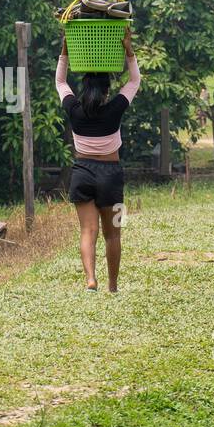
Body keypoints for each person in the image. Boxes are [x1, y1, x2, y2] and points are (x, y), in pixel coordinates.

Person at [57, 26, 139, 292]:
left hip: (82, 172)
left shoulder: (74, 109)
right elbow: (134, 81)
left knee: (87, 232)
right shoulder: (115, 108)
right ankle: (112, 286)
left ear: (84, 90)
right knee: (113, 233)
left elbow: (60, 82)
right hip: (111, 175)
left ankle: (90, 279)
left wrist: (65, 51)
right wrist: (128, 50)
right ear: (106, 92)